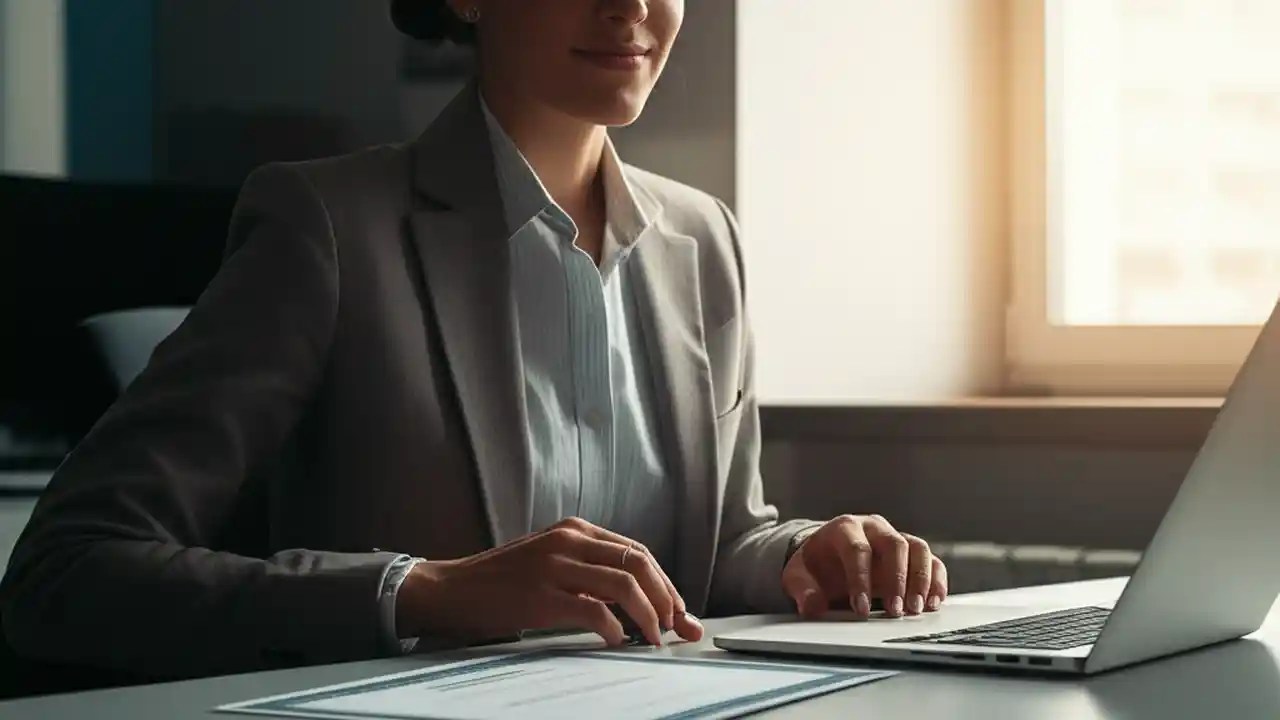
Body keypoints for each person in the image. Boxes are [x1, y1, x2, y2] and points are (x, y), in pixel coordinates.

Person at [0, 0, 948, 679]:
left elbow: (716, 544)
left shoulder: (705, 239)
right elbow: (65, 571)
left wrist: (803, 555)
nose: (632, 8)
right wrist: (430, 591)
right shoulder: (328, 226)